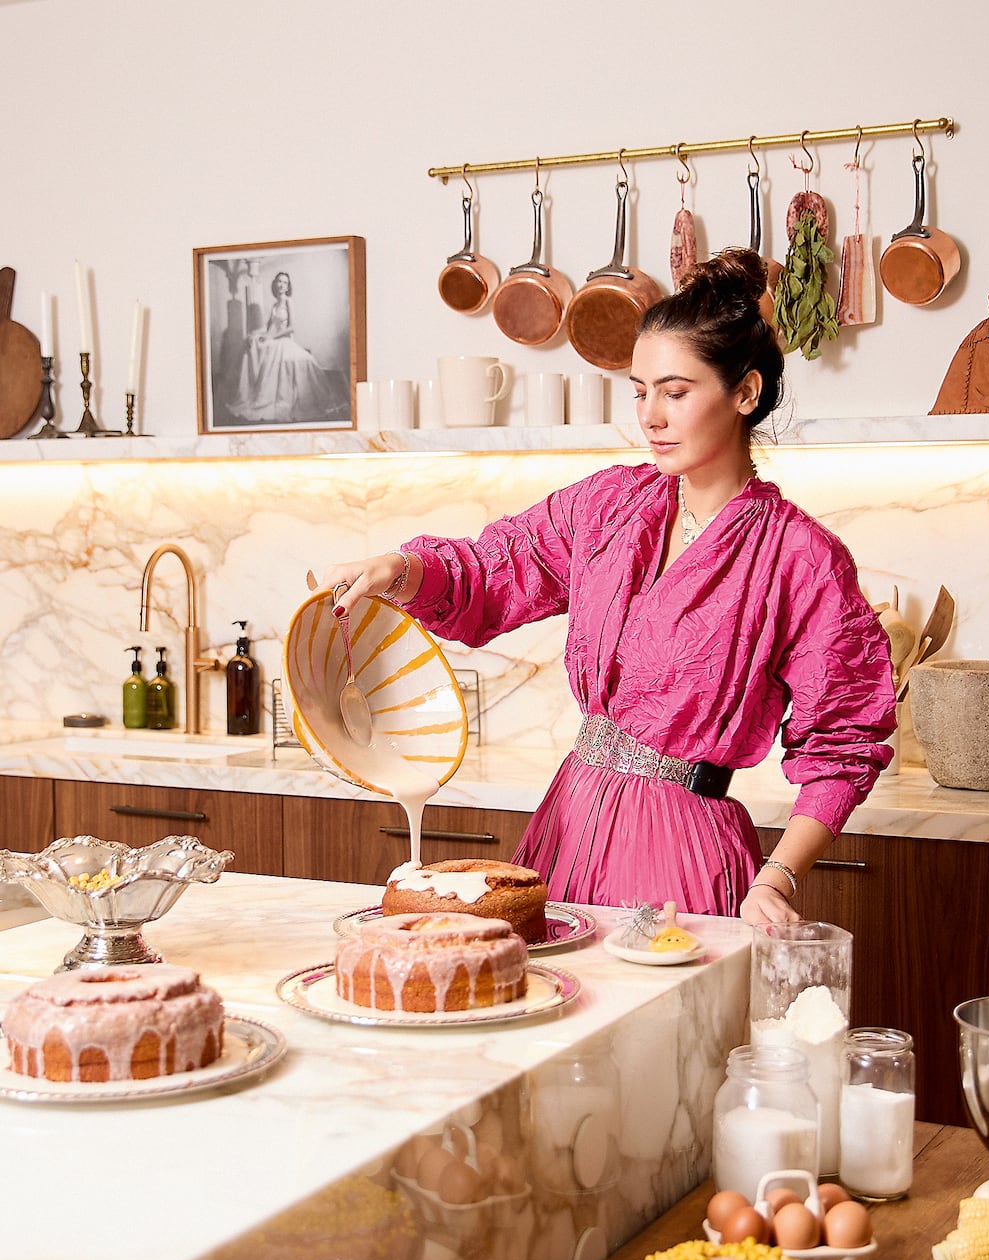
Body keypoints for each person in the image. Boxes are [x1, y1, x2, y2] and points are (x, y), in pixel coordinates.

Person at [322, 248, 895, 925]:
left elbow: (843, 740)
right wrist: (404, 568)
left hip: (682, 854)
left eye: (675, 392)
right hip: (569, 829)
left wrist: (776, 879)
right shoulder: (609, 508)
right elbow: (497, 567)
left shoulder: (798, 556)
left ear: (744, 392)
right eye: (640, 390)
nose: (650, 416)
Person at [231, 271, 339, 424]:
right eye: (280, 282)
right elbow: (268, 327)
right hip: (277, 341)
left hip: (286, 341)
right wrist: (258, 336)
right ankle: (257, 393)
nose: (282, 285)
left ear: (288, 287)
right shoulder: (275, 305)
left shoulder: (288, 301)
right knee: (257, 346)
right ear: (275, 284)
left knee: (294, 358)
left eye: (285, 282)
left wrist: (272, 337)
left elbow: (291, 328)